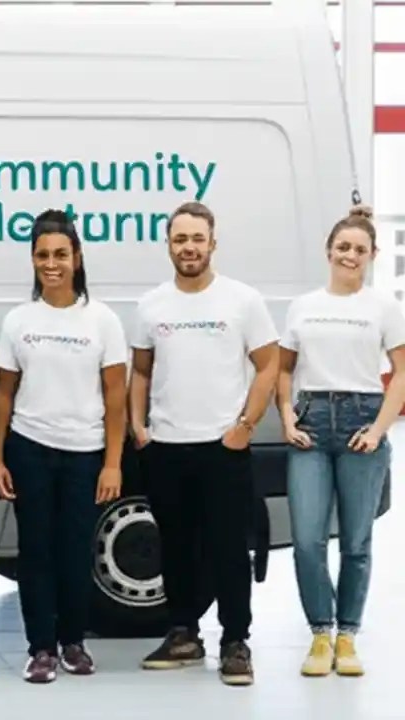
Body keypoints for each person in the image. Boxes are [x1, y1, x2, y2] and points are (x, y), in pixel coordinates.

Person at [129, 201, 279, 687]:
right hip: (167, 446)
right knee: (175, 547)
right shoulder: (152, 305)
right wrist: (139, 428)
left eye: (197, 239)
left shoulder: (242, 300)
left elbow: (269, 365)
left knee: (229, 549)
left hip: (223, 446)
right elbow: (142, 372)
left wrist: (246, 425)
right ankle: (183, 634)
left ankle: (236, 642)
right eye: (180, 239)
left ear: (213, 243)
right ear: (168, 244)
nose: (188, 248)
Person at [0, 209, 127, 684]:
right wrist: (0, 457)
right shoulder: (19, 320)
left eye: (61, 254)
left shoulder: (102, 320)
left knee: (75, 550)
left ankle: (73, 641)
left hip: (84, 453)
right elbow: (4, 394)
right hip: (30, 449)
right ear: (33, 260)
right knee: (36, 551)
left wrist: (112, 463)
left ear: (77, 257)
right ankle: (40, 648)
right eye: (43, 255)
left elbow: (115, 397)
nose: (52, 264)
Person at [276, 205, 405, 678]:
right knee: (308, 541)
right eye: (343, 247)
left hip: (361, 420)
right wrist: (287, 417)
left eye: (359, 249)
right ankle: (319, 633)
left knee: (356, 541)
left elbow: (402, 373)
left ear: (372, 256)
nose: (350, 255)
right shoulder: (303, 306)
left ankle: (347, 636)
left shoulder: (384, 308)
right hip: (310, 424)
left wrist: (378, 430)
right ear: (328, 251)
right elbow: (284, 369)